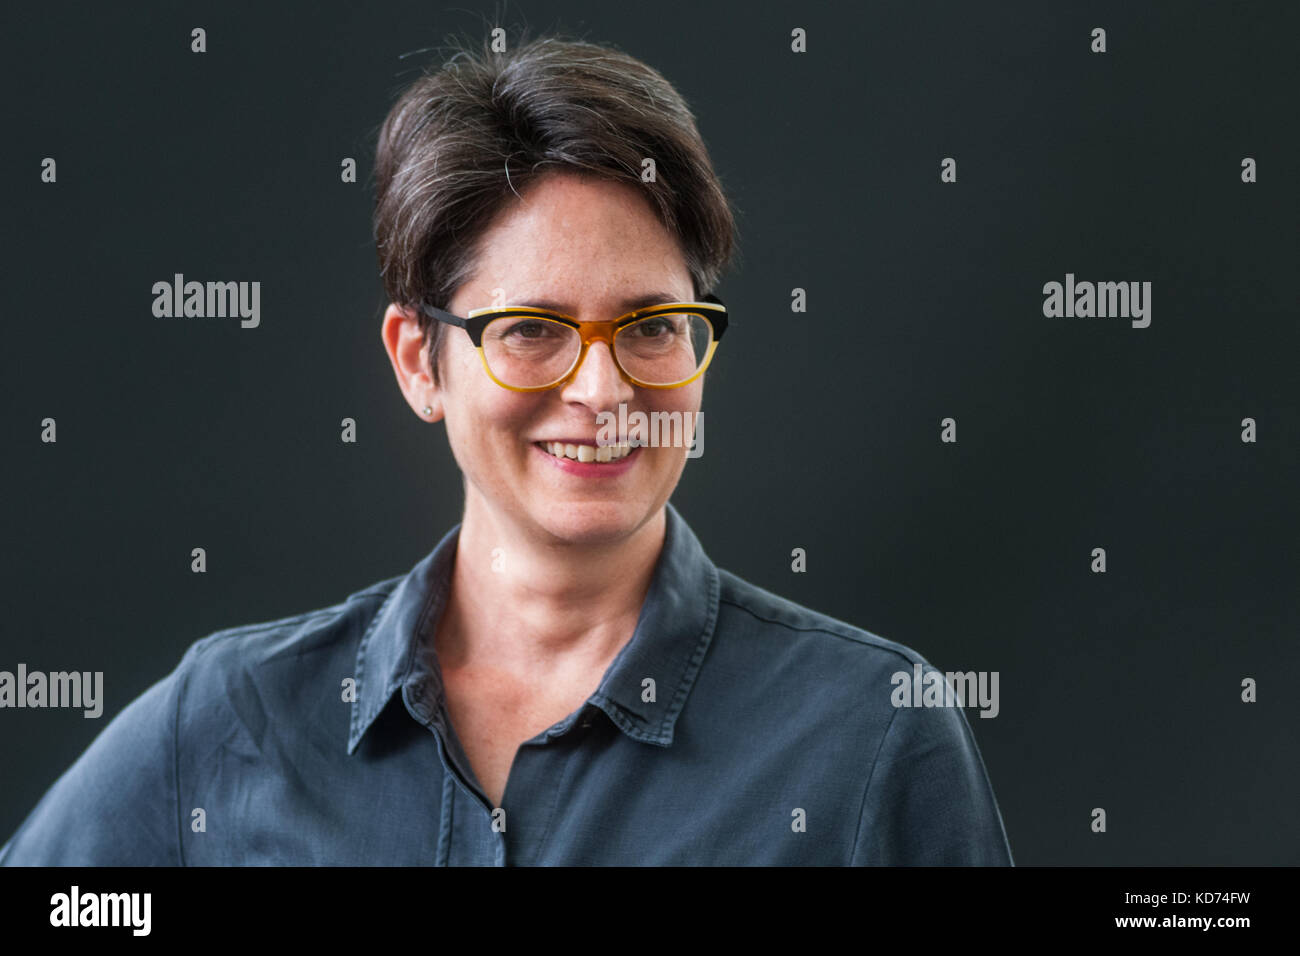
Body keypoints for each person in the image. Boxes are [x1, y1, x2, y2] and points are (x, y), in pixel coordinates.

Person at [0, 33, 1012, 865]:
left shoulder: (869, 732)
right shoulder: (231, 718)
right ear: (419, 362)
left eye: (652, 325)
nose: (604, 389)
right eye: (530, 329)